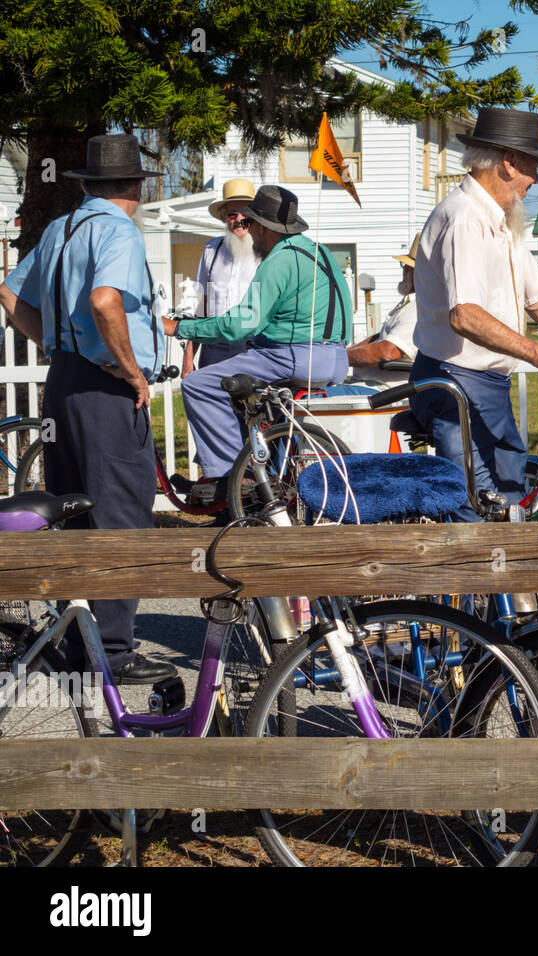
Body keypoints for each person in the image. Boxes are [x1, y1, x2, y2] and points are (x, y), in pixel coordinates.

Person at [0, 133, 175, 682]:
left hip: (65, 383)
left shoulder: (61, 228)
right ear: (136, 187)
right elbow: (106, 300)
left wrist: (54, 344)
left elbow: (9, 294)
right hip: (104, 389)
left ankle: (81, 646)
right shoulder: (118, 230)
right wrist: (130, 368)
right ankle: (116, 652)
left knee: (72, 509)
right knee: (120, 512)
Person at [411, 107, 538, 521]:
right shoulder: (464, 217)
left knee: (508, 505)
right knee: (473, 513)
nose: (534, 181)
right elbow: (464, 315)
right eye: (533, 169)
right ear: (509, 162)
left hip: (485, 385)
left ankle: (496, 585)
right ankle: (466, 587)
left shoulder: (499, 223)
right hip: (454, 381)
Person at [163, 186, 350, 495]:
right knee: (246, 394)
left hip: (294, 357)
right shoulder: (322, 252)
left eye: (250, 224)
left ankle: (230, 477)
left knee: (199, 384)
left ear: (263, 227)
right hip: (334, 360)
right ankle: (264, 474)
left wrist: (180, 328)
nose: (247, 232)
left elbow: (242, 324)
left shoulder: (279, 259)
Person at [180, 178, 261, 376]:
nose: (239, 220)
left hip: (254, 346)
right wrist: (188, 356)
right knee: (210, 404)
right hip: (213, 345)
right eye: (233, 214)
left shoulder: (265, 251)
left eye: (246, 213)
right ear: (224, 217)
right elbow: (202, 307)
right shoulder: (211, 250)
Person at [345, 235, 419, 386]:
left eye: (409, 267)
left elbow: (388, 351)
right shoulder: (411, 303)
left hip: (379, 392)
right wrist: (341, 352)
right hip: (366, 385)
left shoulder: (419, 308)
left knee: (298, 401)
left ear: (422, 274)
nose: (404, 269)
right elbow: (378, 338)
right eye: (404, 265)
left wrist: (338, 358)